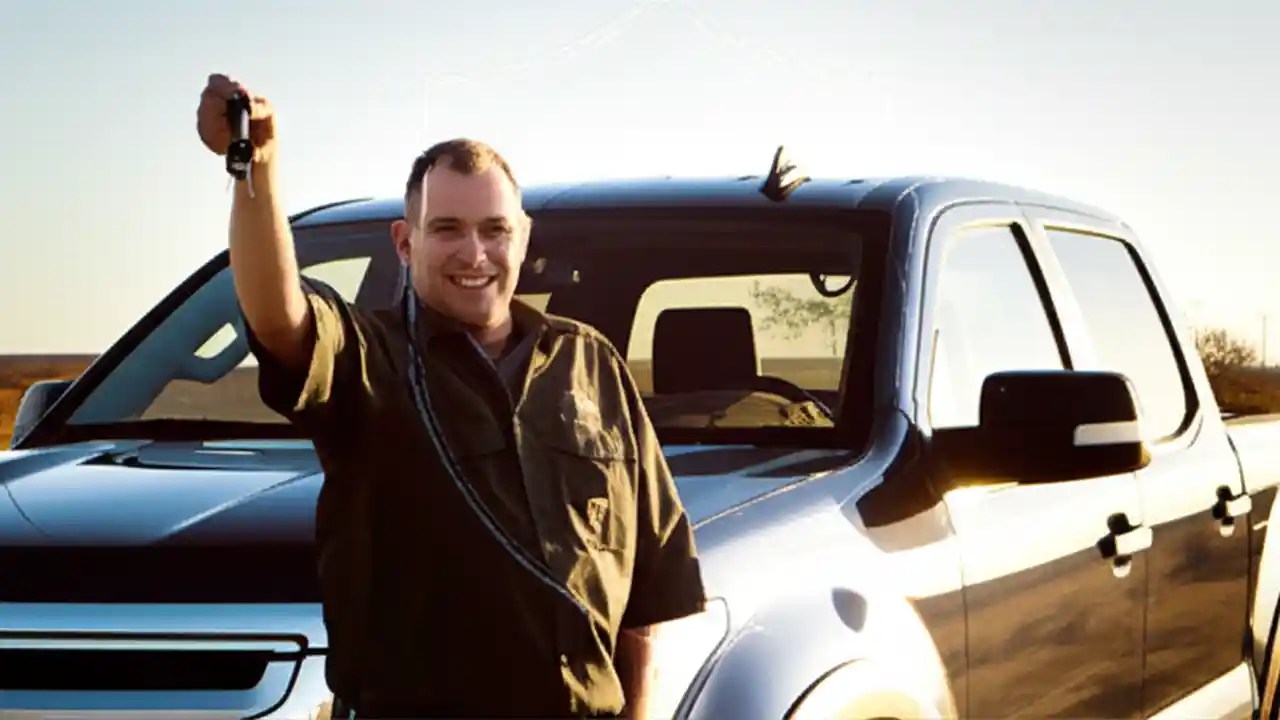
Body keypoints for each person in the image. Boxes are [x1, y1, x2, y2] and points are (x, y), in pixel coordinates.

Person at [195, 74, 707, 718]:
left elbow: (646, 591)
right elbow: (278, 317)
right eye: (447, 229)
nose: (475, 253)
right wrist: (259, 168)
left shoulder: (591, 365)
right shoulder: (365, 361)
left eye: (495, 229)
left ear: (523, 237)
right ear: (404, 243)